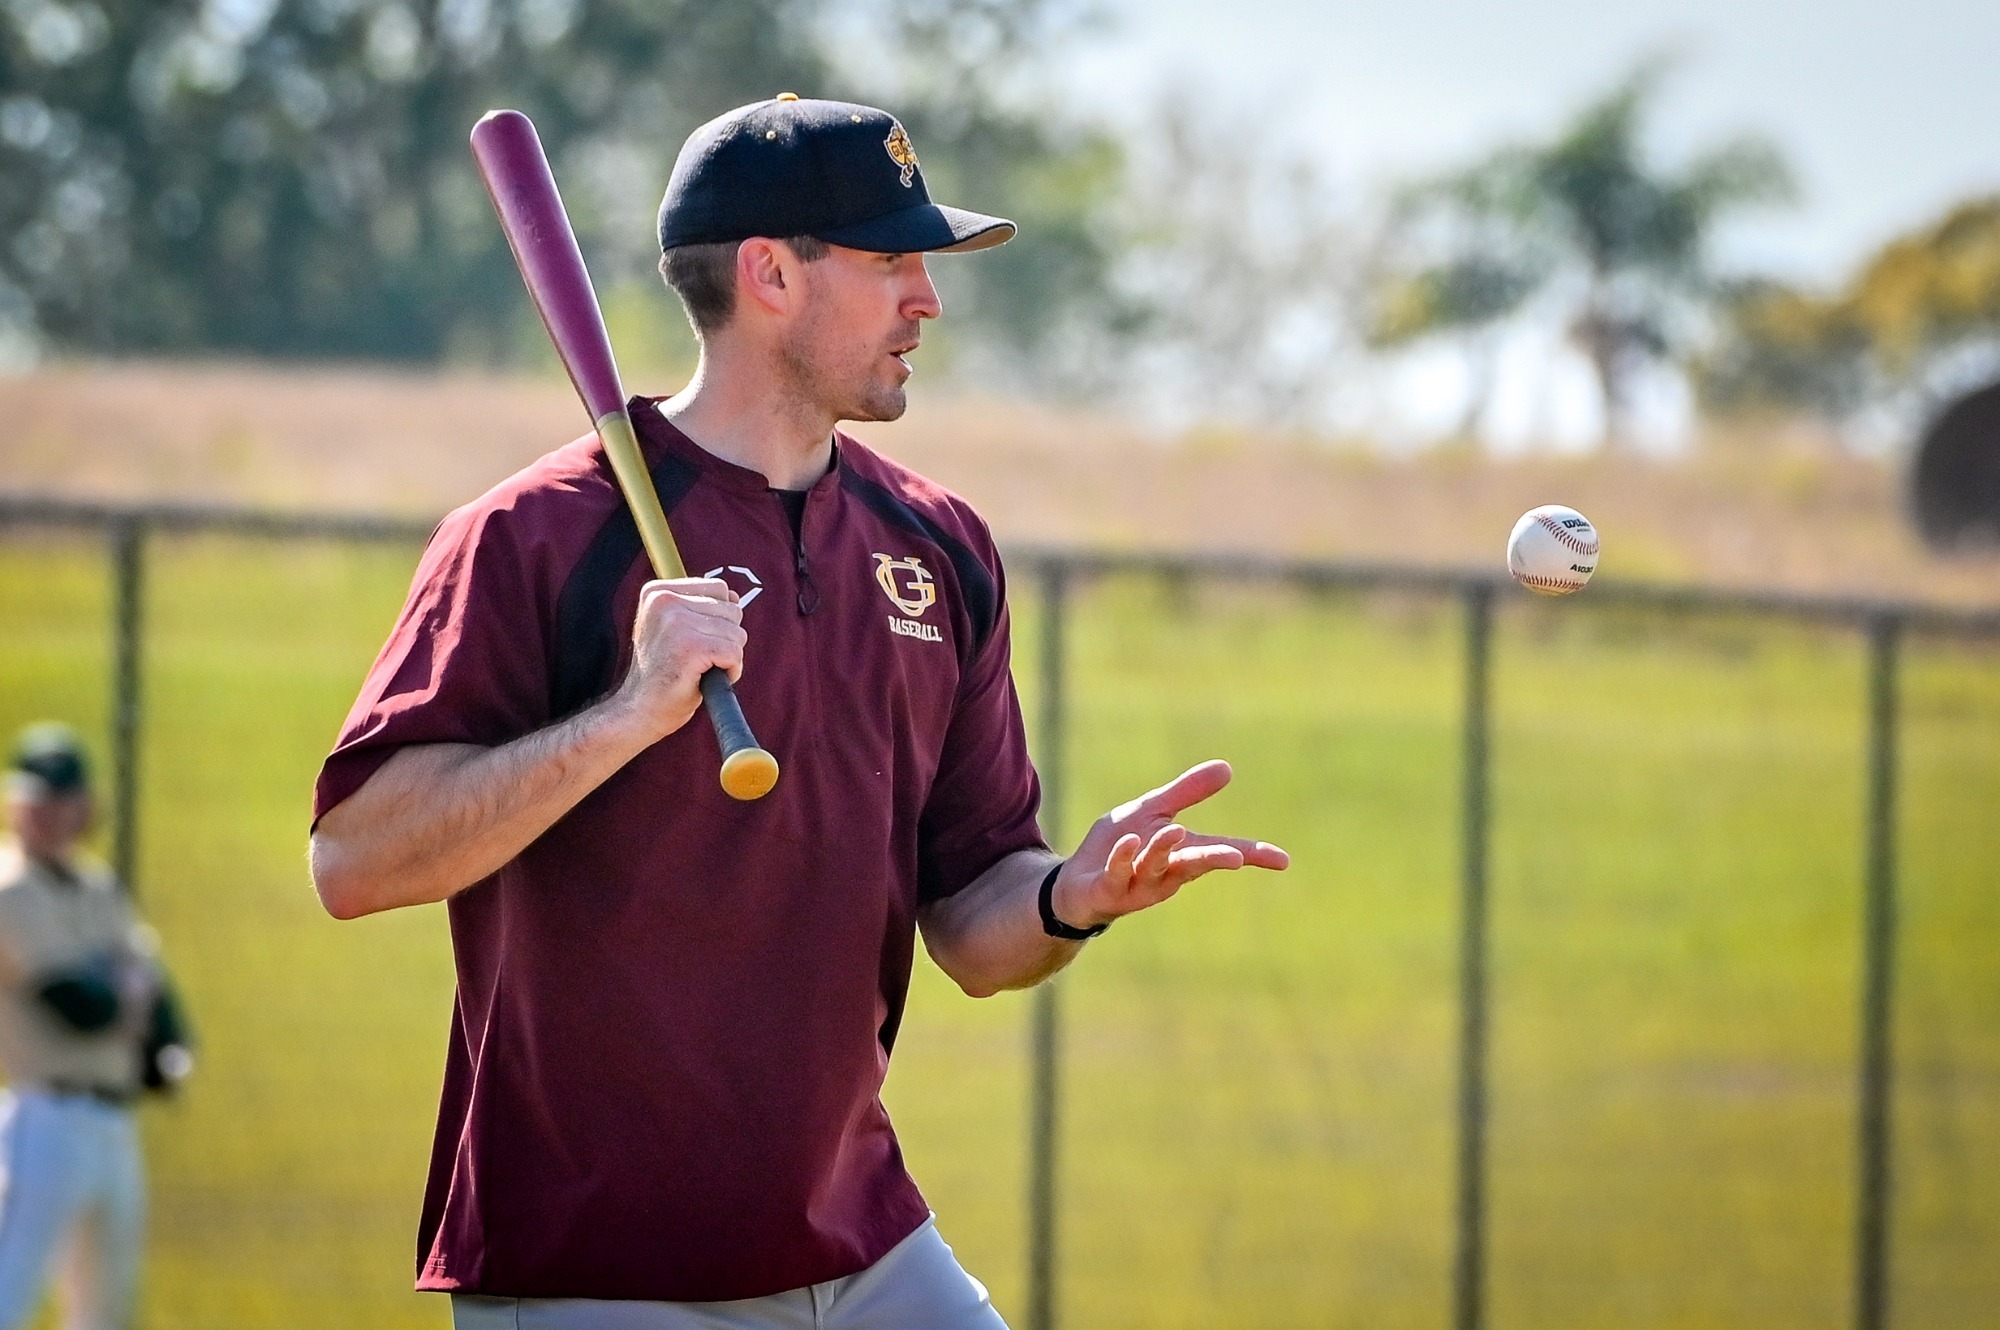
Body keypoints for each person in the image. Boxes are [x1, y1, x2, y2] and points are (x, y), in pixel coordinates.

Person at [308, 95, 1288, 1330]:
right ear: (771, 273)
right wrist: (625, 713)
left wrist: (1064, 899)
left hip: (860, 1236)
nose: (926, 298)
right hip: (598, 1266)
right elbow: (353, 859)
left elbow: (976, 921)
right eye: (890, 261)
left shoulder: (937, 544)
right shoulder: (536, 536)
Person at [0, 724, 190, 1330]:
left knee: (106, 1315)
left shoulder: (98, 885)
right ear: (14, 803)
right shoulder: (10, 889)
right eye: (37, 799)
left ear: (85, 806)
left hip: (114, 1125)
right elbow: (77, 1006)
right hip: (43, 1122)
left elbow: (156, 996)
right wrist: (128, 1002)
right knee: (8, 1294)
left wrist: (155, 1032)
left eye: (61, 799)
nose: (49, 814)